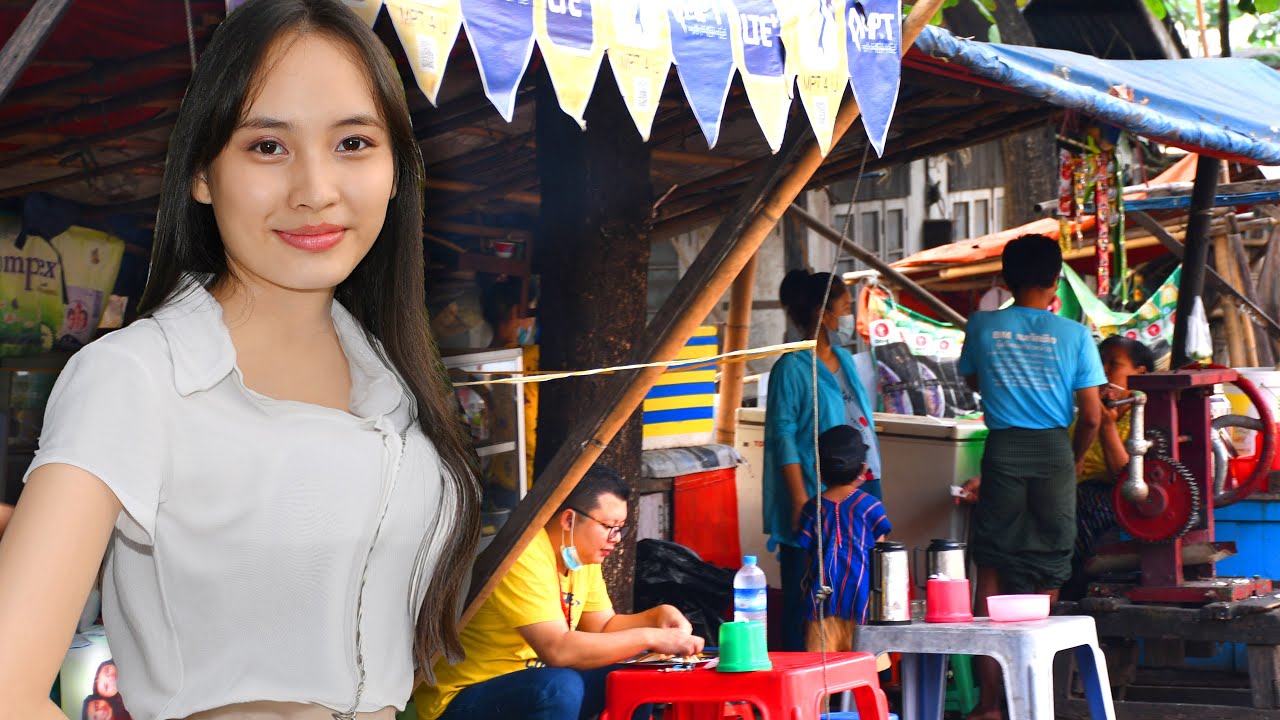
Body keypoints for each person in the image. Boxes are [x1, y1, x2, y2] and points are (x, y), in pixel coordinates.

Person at [0, 2, 482, 719]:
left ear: (394, 170)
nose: (316, 190)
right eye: (267, 147)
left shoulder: (394, 385)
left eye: (353, 143)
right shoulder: (137, 378)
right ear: (201, 172)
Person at [416, 464, 703, 720]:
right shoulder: (522, 554)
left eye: (620, 529)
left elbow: (602, 627)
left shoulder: (580, 556)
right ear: (568, 520)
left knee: (635, 677)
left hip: (532, 685)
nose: (615, 540)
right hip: (462, 699)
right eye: (608, 527)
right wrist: (651, 637)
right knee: (559, 687)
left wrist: (658, 616)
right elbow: (558, 650)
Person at [956, 234, 1105, 720]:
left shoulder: (981, 325)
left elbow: (976, 382)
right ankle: (1033, 698)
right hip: (1053, 454)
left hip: (1003, 451)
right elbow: (1092, 417)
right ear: (1057, 280)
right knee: (1047, 566)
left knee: (993, 566)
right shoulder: (1076, 335)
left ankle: (991, 704)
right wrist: (1075, 457)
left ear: (1004, 280)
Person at [765, 269, 882, 652]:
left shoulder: (845, 360)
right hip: (816, 496)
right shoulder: (792, 368)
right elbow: (783, 438)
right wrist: (801, 503)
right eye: (846, 308)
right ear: (823, 313)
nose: (850, 316)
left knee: (853, 592)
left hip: (858, 488)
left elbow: (860, 422)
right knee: (807, 598)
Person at [1065, 335, 1155, 597]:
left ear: (1140, 374)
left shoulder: (1146, 415)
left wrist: (1106, 425)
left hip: (1115, 500)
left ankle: (1070, 596)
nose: (1104, 371)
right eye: (1099, 363)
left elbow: (1125, 479)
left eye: (1113, 364)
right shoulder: (1090, 410)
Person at [797, 425, 891, 653]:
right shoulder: (871, 508)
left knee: (821, 677)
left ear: (818, 471)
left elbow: (808, 560)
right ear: (863, 468)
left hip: (821, 607)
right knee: (862, 676)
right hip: (864, 607)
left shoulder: (812, 509)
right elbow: (881, 558)